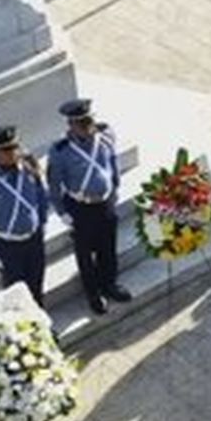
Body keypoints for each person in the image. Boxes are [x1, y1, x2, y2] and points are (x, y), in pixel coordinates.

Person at [47, 99, 131, 314]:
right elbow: (54, 185)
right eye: (81, 123)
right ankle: (94, 294)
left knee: (108, 247)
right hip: (80, 206)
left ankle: (110, 284)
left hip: (104, 202)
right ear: (71, 125)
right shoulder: (61, 151)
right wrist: (62, 213)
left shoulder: (104, 138)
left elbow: (112, 164)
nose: (87, 127)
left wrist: (114, 189)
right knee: (85, 254)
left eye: (89, 121)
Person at [0, 125, 49, 306]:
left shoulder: (28, 167)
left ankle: (40, 318)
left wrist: (42, 222)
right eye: (6, 150)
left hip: (33, 239)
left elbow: (41, 196)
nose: (13, 153)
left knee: (36, 284)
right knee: (16, 294)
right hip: (7, 245)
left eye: (15, 147)